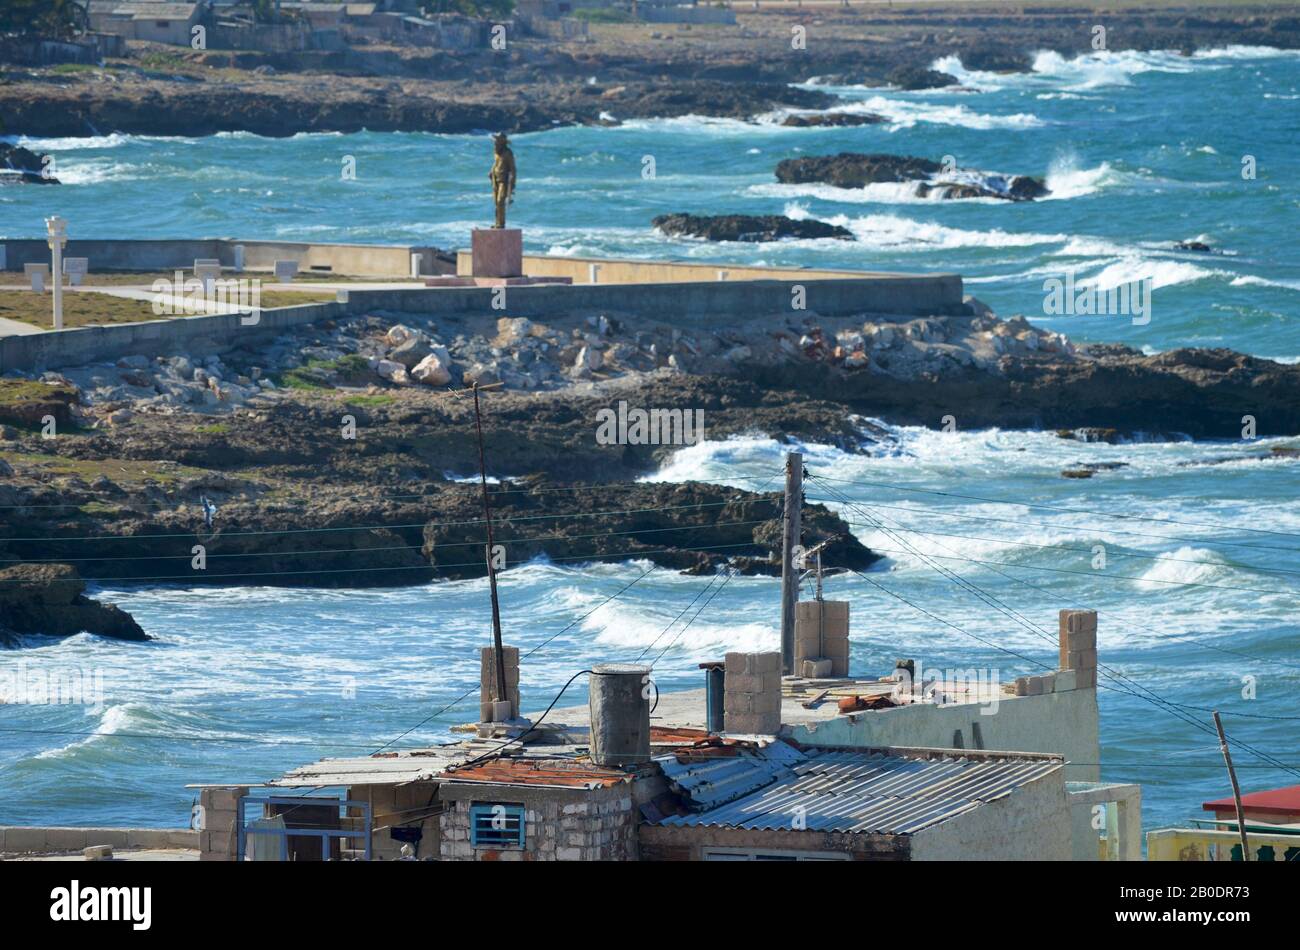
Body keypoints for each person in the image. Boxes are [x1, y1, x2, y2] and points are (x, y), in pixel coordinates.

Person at [489, 132, 516, 229]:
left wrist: (512, 184)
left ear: (502, 142)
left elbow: (513, 169)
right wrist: (491, 171)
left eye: (497, 141)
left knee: (501, 201)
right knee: (496, 202)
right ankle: (497, 223)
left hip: (503, 181)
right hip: (495, 179)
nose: (495, 143)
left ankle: (501, 224)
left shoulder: (508, 153)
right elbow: (496, 163)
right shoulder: (497, 152)